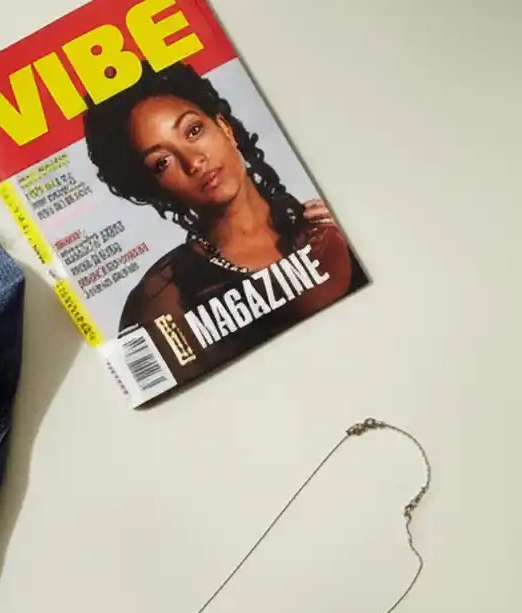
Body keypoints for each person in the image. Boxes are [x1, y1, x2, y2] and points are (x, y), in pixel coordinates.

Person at [83, 59, 365, 380]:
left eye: (193, 130)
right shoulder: (159, 303)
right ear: (153, 188)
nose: (194, 162)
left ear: (225, 129)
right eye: (162, 162)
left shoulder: (327, 222)